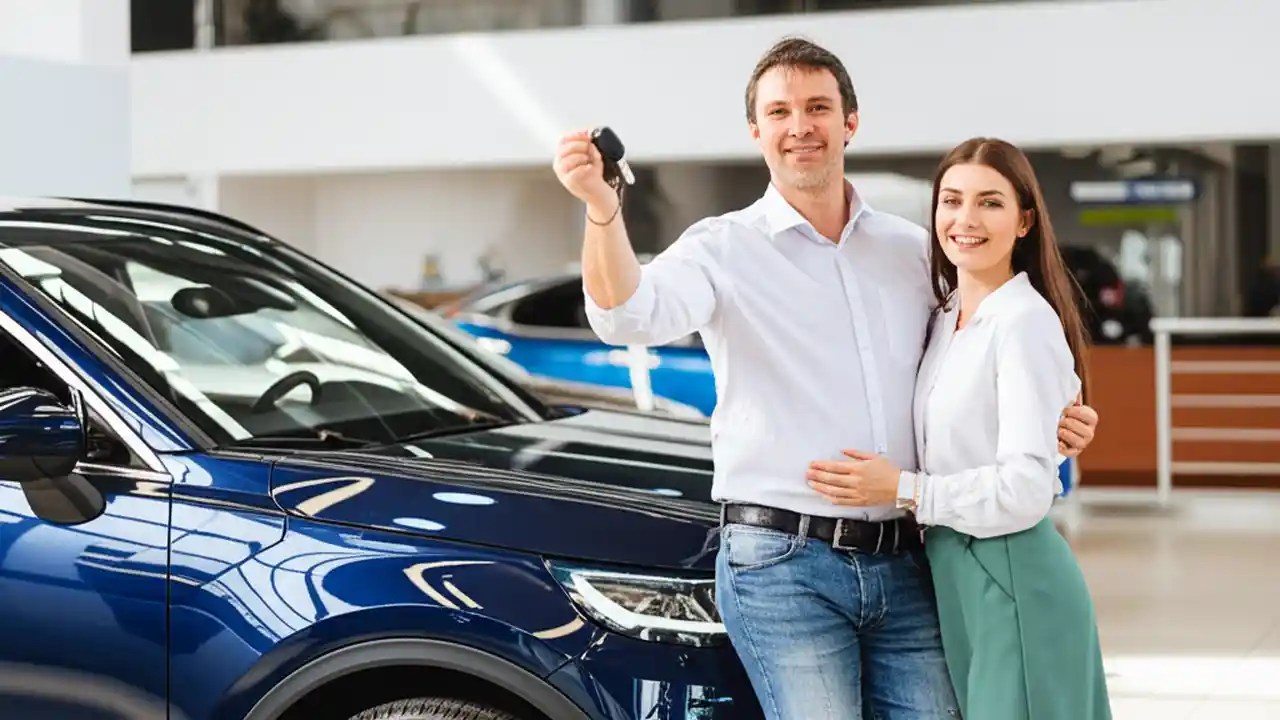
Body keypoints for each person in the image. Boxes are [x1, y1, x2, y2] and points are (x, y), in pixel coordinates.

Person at [551, 37, 1099, 719]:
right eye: (779, 112)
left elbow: (977, 357)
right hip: (783, 563)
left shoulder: (913, 251)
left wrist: (1059, 411)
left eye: (818, 107)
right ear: (757, 132)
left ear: (850, 122)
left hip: (908, 558)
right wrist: (603, 212)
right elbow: (624, 314)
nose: (800, 126)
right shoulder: (721, 249)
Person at [807, 138, 1112, 719]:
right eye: (952, 200)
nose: (965, 220)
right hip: (953, 571)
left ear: (1024, 221)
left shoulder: (1022, 322)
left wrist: (902, 488)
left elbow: (1024, 490)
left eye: (989, 203)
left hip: (1010, 574)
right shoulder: (948, 317)